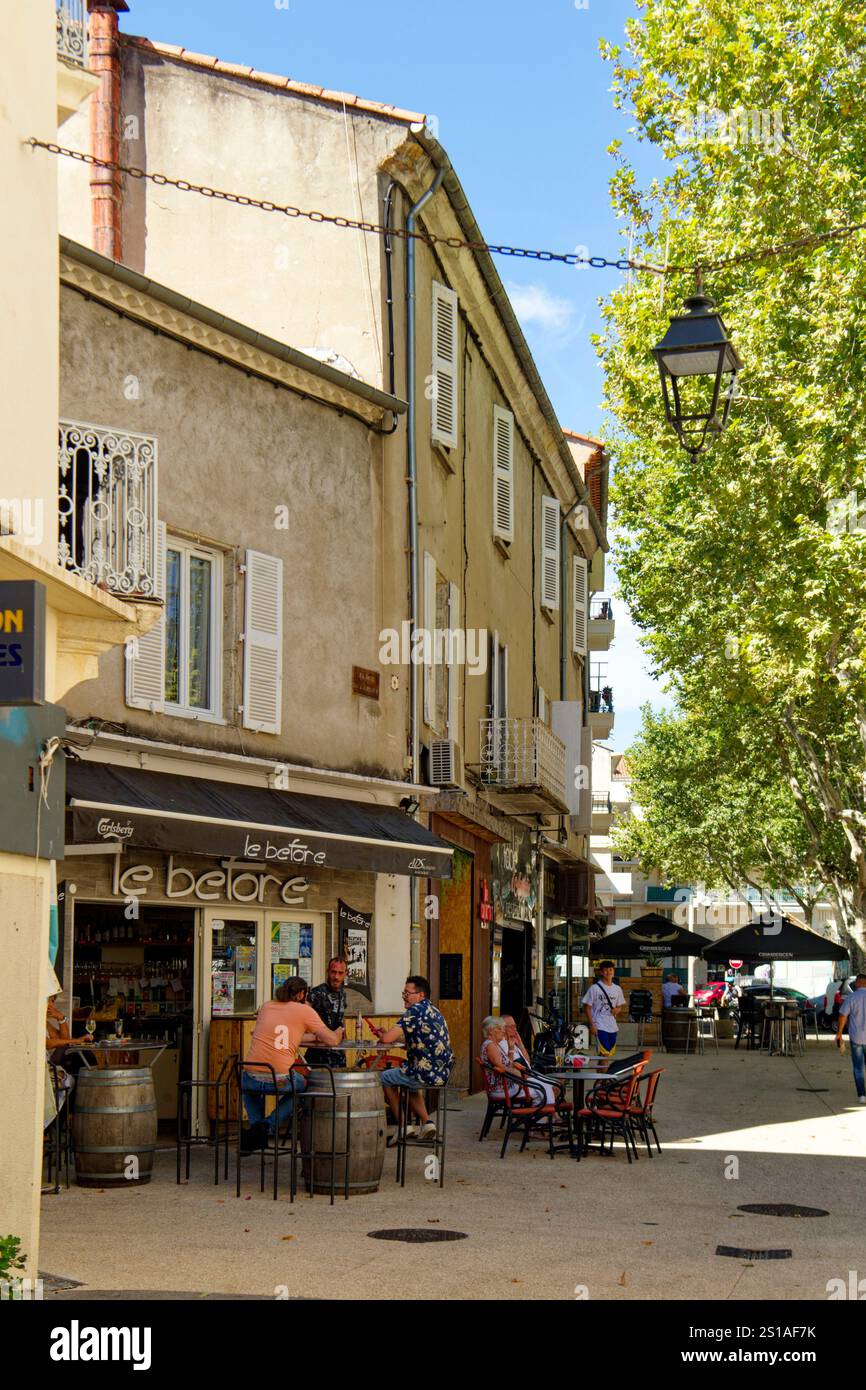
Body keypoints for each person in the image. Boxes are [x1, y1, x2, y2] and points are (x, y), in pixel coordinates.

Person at [242, 976, 343, 1150]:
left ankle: (255, 1130)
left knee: (248, 1086)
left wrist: (310, 1036)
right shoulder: (304, 1011)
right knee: (304, 1086)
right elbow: (333, 1040)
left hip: (251, 1076)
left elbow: (285, 1033)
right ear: (301, 994)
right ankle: (266, 1127)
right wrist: (340, 1030)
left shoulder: (266, 1006)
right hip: (280, 1078)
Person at [371, 977, 453, 1144]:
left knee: (385, 1077)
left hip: (423, 1072)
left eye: (407, 993)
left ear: (420, 995)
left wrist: (385, 1036)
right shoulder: (433, 1010)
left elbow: (387, 1040)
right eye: (404, 993)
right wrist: (388, 1036)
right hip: (441, 1073)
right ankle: (427, 1123)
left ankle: (403, 1126)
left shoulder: (415, 1010)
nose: (404, 996)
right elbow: (415, 1044)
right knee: (409, 1079)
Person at [305, 957, 348, 1068]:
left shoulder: (343, 993)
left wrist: (345, 1041)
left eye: (340, 973)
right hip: (318, 1057)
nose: (336, 977)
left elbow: (342, 1018)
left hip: (338, 1056)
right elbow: (302, 1017)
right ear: (328, 972)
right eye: (333, 972)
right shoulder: (316, 993)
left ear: (345, 974)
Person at [582, 960, 625, 1057]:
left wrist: (616, 1010)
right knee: (604, 1054)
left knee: (606, 1055)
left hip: (612, 1026)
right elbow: (587, 1008)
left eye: (610, 970)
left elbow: (620, 1007)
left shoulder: (617, 989)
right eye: (605, 970)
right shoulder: (594, 988)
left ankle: (600, 1072)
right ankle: (605, 1072)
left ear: (613, 971)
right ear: (601, 972)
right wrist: (592, 1024)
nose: (608, 972)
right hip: (599, 1025)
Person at [836, 973, 866, 1105]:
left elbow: (843, 1016)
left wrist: (839, 1034)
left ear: (859, 983)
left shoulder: (851, 997)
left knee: (858, 1067)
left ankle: (862, 1095)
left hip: (857, 1037)